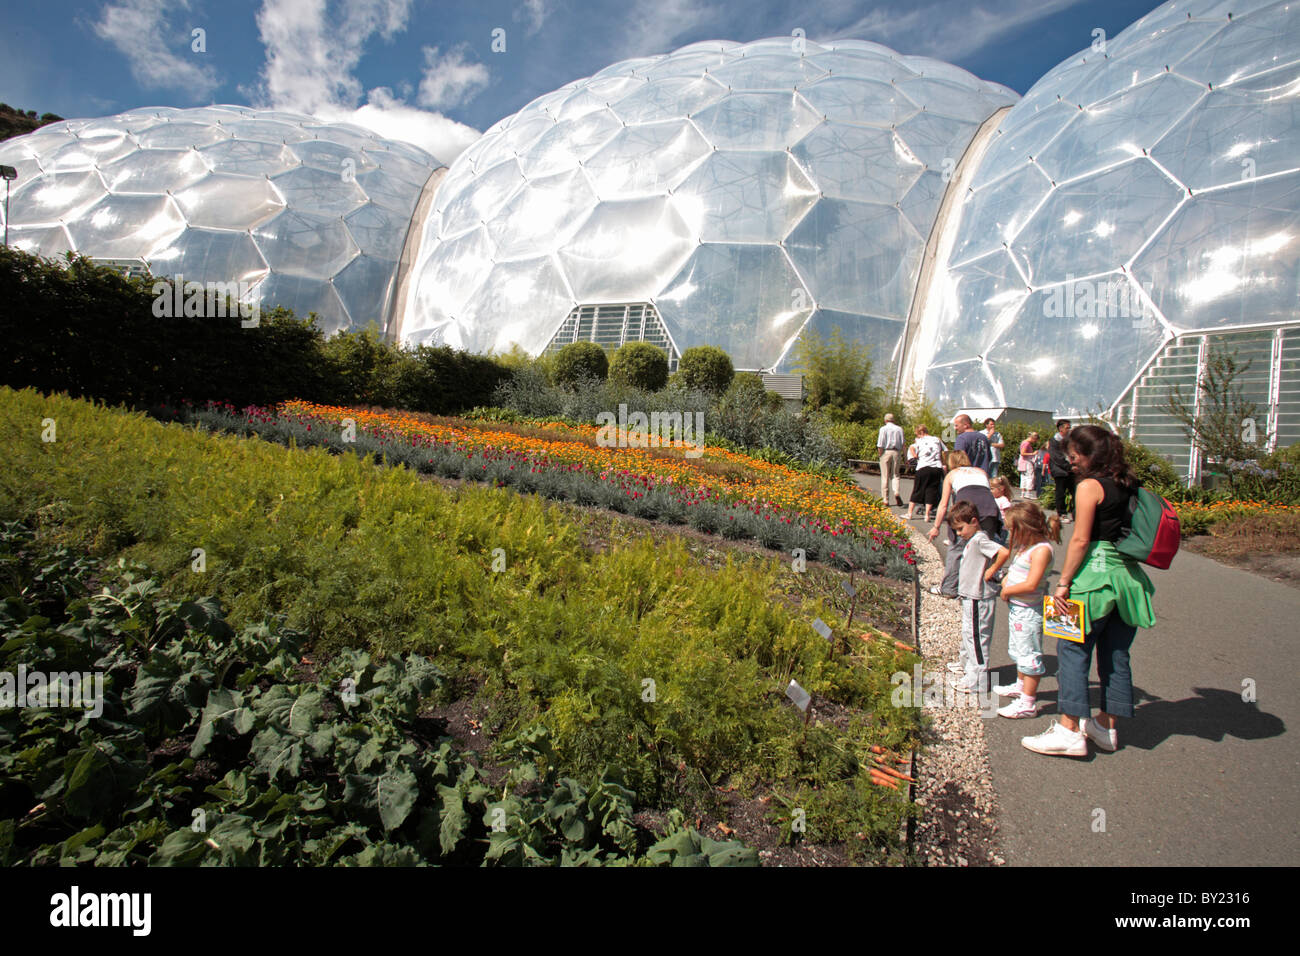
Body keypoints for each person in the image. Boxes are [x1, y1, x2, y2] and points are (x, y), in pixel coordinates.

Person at [1021, 425, 1156, 757]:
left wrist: (1064, 582)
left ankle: (1069, 730)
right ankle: (1105, 727)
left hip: (1092, 579)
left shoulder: (1089, 487)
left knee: (1071, 650)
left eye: (1073, 456)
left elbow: (1081, 540)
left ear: (1086, 455)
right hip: (1128, 580)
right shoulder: (1130, 483)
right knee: (1115, 655)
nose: (1071, 463)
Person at [993, 501, 1062, 719]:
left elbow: (1032, 583)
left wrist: (1007, 591)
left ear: (1025, 529)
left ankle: (1028, 702)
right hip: (1019, 609)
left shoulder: (1041, 550)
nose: (1010, 534)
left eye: (1012, 530)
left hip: (1029, 611)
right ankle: (1020, 685)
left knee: (1029, 654)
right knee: (1019, 649)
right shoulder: (1028, 547)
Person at [946, 500, 1008, 694]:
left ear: (974, 521)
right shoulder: (973, 539)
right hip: (970, 596)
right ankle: (967, 667)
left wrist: (991, 572)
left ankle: (978, 679)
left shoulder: (980, 539)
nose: (958, 534)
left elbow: (1003, 552)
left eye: (960, 528)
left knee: (976, 638)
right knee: (968, 634)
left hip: (978, 597)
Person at [927, 450, 1000, 597]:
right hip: (990, 509)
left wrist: (936, 527)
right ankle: (980, 586)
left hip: (968, 510)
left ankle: (949, 588)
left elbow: (943, 504)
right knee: (983, 547)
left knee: (957, 548)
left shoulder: (952, 475)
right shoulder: (981, 471)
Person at [904, 424, 946, 522]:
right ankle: (927, 515)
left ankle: (909, 513)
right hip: (936, 467)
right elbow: (945, 450)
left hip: (923, 467)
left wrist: (916, 456)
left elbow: (914, 451)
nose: (917, 436)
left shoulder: (919, 441)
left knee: (917, 489)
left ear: (921, 432)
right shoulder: (937, 439)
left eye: (918, 434)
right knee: (931, 490)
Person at [1046, 419, 1075, 523]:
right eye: (1067, 427)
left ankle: (1076, 513)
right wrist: (1069, 467)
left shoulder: (1070, 440)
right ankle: (1062, 514)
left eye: (1069, 427)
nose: (1069, 429)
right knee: (1061, 493)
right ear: (1061, 429)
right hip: (1060, 470)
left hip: (1071, 470)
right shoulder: (1053, 441)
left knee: (1075, 492)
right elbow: (1056, 457)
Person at [877, 413, 906, 507]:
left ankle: (885, 499)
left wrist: (880, 455)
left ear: (885, 420)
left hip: (886, 451)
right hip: (896, 452)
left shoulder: (883, 429)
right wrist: (906, 457)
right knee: (895, 475)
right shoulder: (899, 429)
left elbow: (880, 444)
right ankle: (896, 492)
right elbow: (903, 445)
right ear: (894, 420)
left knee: (885, 476)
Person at [1017, 431, 1041, 499]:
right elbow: (1022, 453)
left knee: (1023, 476)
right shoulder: (1026, 443)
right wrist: (1033, 453)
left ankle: (1023, 493)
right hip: (1026, 461)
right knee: (1030, 477)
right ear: (1034, 438)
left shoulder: (1024, 442)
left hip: (1023, 461)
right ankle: (1028, 493)